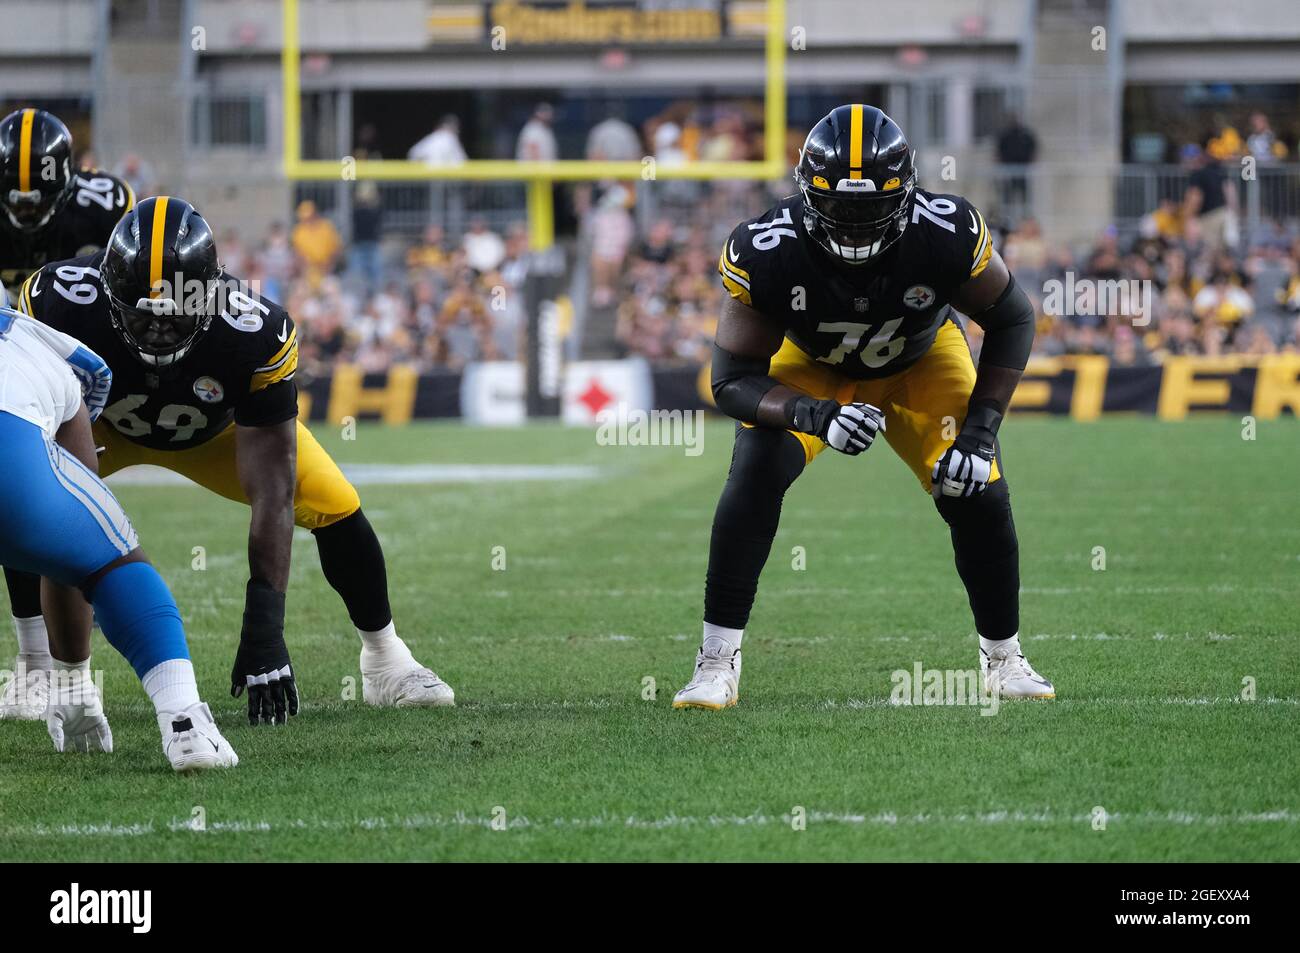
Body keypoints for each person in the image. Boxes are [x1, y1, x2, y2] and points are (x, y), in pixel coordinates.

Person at [16, 196, 454, 726]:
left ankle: (385, 659)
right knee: (32, 506)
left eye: (176, 317)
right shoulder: (58, 301)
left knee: (335, 505)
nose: (157, 331)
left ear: (210, 295)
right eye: (141, 314)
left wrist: (265, 625)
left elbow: (273, 491)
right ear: (108, 296)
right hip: (99, 424)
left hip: (216, 432)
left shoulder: (253, 333)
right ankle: (48, 672)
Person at [673, 105, 1053, 710]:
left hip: (922, 359)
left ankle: (1003, 658)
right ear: (805, 194)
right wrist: (813, 415)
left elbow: (1013, 318)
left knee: (975, 487)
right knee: (756, 468)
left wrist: (980, 434)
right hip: (811, 367)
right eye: (841, 208)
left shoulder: (947, 230)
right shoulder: (767, 248)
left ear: (905, 196)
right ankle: (716, 663)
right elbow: (731, 382)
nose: (854, 225)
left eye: (871, 207)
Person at [0, 306, 237, 770]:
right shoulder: (47, 358)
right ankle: (184, 721)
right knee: (114, 560)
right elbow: (74, 558)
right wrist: (73, 687)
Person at [0, 108, 135, 719]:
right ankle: (35, 664)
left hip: (83, 368)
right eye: (15, 202)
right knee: (16, 498)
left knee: (81, 519)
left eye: (38, 202)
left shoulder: (104, 205)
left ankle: (66, 668)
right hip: (14, 364)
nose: (24, 214)